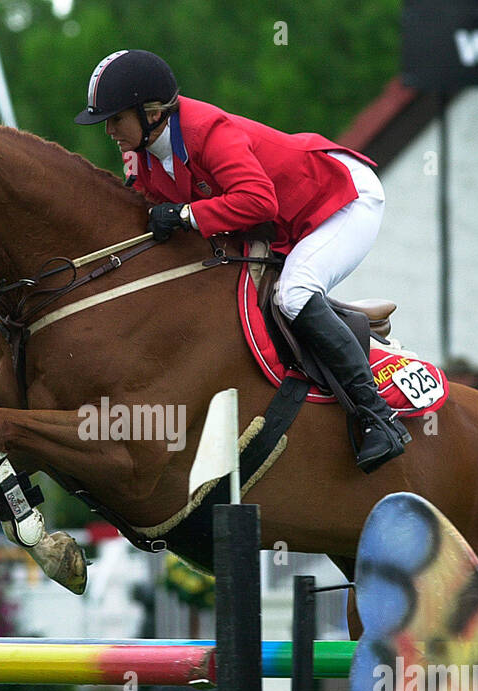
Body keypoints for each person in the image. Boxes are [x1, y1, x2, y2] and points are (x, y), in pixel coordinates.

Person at [74, 50, 408, 473]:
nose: (108, 130)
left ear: (152, 113)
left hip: (340, 199)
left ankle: (378, 417)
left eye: (115, 118)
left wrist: (185, 215)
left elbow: (258, 201)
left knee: (294, 294)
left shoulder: (207, 131)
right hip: (285, 220)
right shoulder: (140, 153)